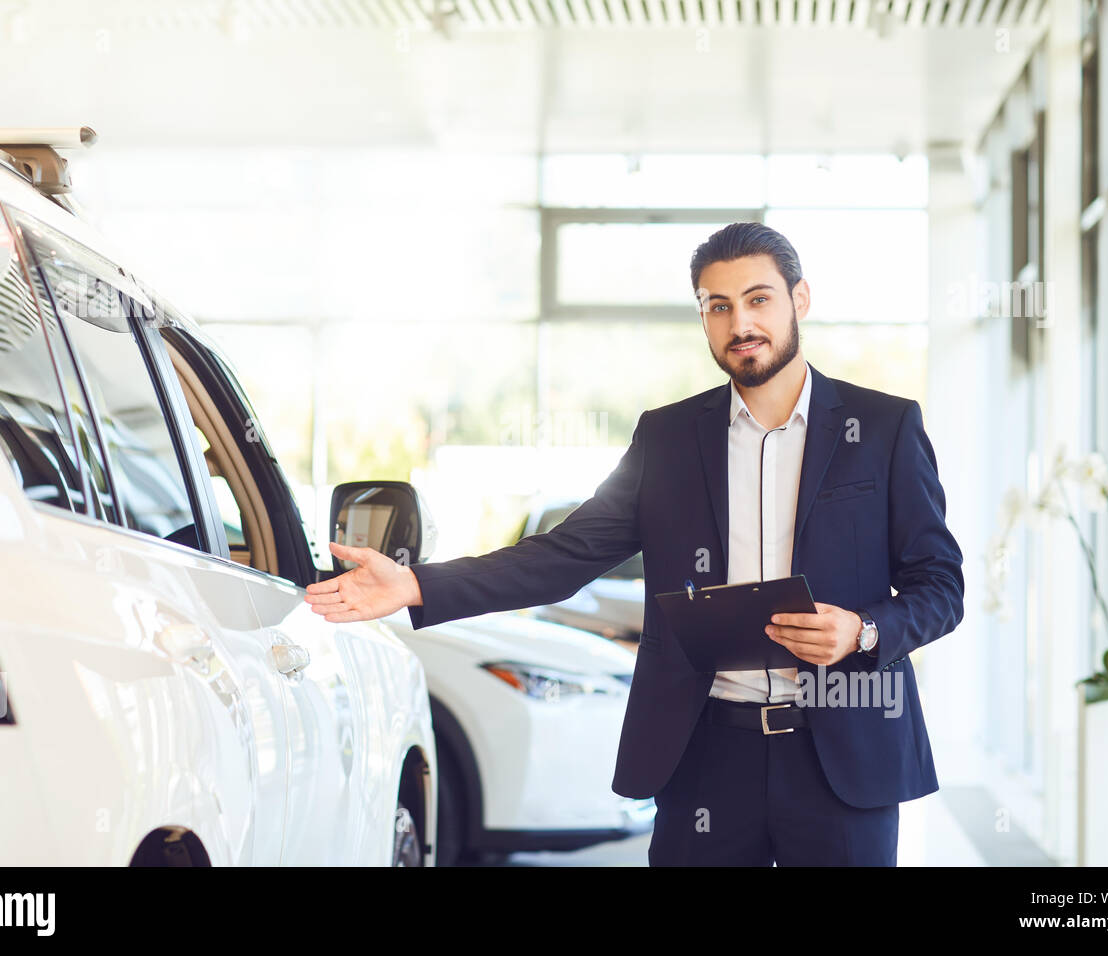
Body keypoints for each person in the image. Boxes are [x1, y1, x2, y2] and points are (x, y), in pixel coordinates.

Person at [305, 221, 965, 866]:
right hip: (705, 758)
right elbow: (565, 555)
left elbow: (941, 584)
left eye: (759, 299)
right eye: (718, 306)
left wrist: (864, 631)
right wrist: (416, 583)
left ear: (800, 299)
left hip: (844, 762)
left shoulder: (882, 428)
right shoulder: (669, 439)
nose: (741, 324)